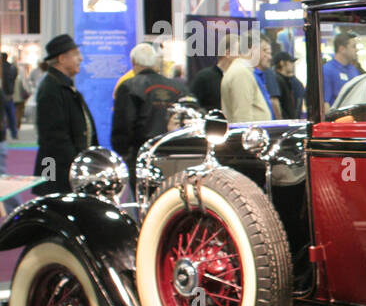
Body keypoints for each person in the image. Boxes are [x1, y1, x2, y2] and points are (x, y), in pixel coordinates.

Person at [111, 42, 188, 188]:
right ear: (154, 63)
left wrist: (123, 156)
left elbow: (123, 126)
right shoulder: (178, 88)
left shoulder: (128, 87)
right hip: (176, 157)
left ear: (134, 62)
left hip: (141, 157)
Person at [34, 34, 97, 194]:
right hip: (59, 174)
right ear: (62, 59)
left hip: (67, 171)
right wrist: (77, 167)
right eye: (76, 54)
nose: (80, 59)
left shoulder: (62, 85)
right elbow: (56, 139)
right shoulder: (51, 89)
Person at [221, 40, 271, 123]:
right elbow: (242, 116)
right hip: (250, 134)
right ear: (253, 48)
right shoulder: (241, 73)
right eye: (263, 51)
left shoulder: (241, 71)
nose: (267, 56)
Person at [189, 32, 240, 112]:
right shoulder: (204, 77)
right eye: (239, 52)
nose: (243, 56)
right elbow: (191, 106)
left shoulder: (239, 79)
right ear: (227, 53)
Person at [321, 32, 361, 108]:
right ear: (342, 49)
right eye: (353, 46)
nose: (356, 50)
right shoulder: (327, 71)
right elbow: (325, 104)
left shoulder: (353, 70)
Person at [251, 38, 283, 118]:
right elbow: (274, 102)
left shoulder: (263, 74)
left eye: (269, 53)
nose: (269, 57)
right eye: (266, 52)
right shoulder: (247, 74)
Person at [274, 51, 305, 119]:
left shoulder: (292, 81)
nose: (292, 64)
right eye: (290, 62)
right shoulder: (276, 80)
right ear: (282, 63)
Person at [1, 51, 18, 139]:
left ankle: (3, 134)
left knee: (2, 115)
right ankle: (14, 133)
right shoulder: (12, 68)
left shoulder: (2, 68)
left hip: (2, 94)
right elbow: (14, 78)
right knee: (11, 115)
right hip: (9, 94)